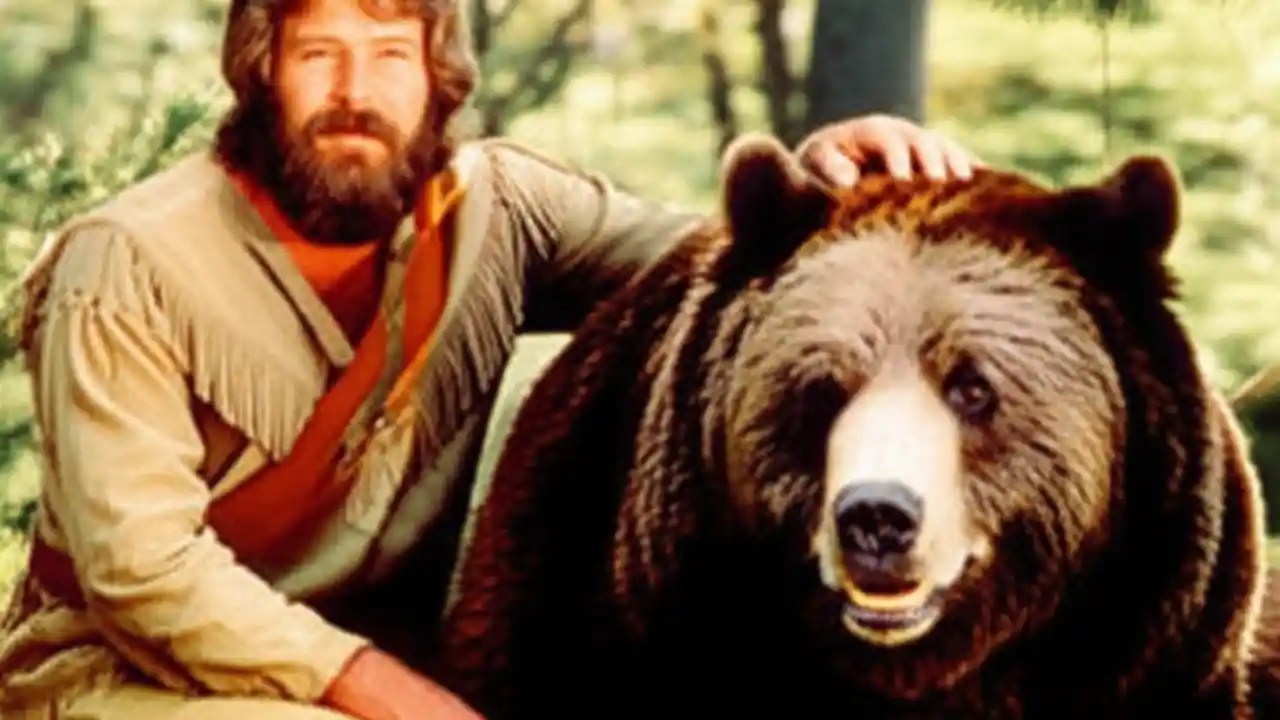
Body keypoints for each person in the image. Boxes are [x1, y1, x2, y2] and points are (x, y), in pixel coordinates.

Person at [0, 0, 981, 718]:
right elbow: (145, 575)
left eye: (391, 53)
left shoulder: (498, 210)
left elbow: (724, 275)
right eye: (318, 54)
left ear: (437, 78)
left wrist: (824, 178)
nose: (356, 93)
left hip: (393, 667)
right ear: (259, 72)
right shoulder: (123, 262)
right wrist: (393, 696)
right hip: (123, 671)